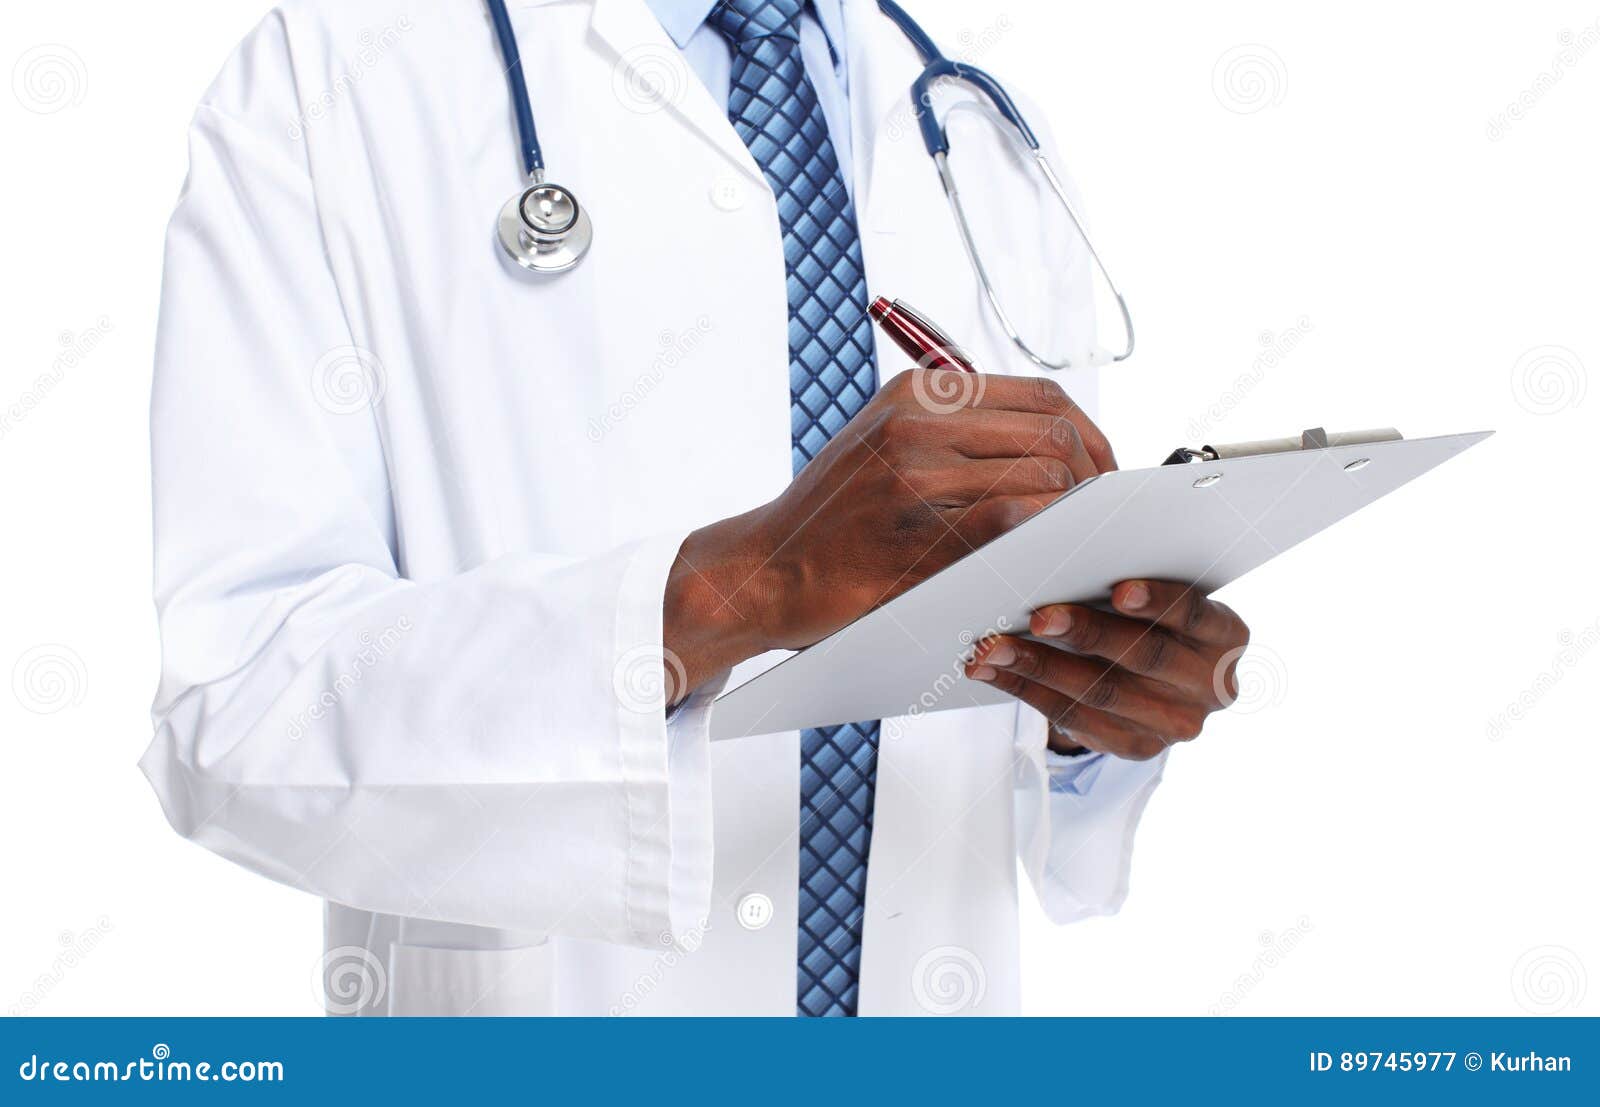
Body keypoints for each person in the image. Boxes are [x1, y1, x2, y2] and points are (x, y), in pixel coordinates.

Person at [142, 0, 1250, 1016]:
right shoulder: (326, 78)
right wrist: (734, 590)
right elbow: (235, 714)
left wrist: (1084, 704)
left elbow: (1007, 670)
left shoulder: (974, 116)